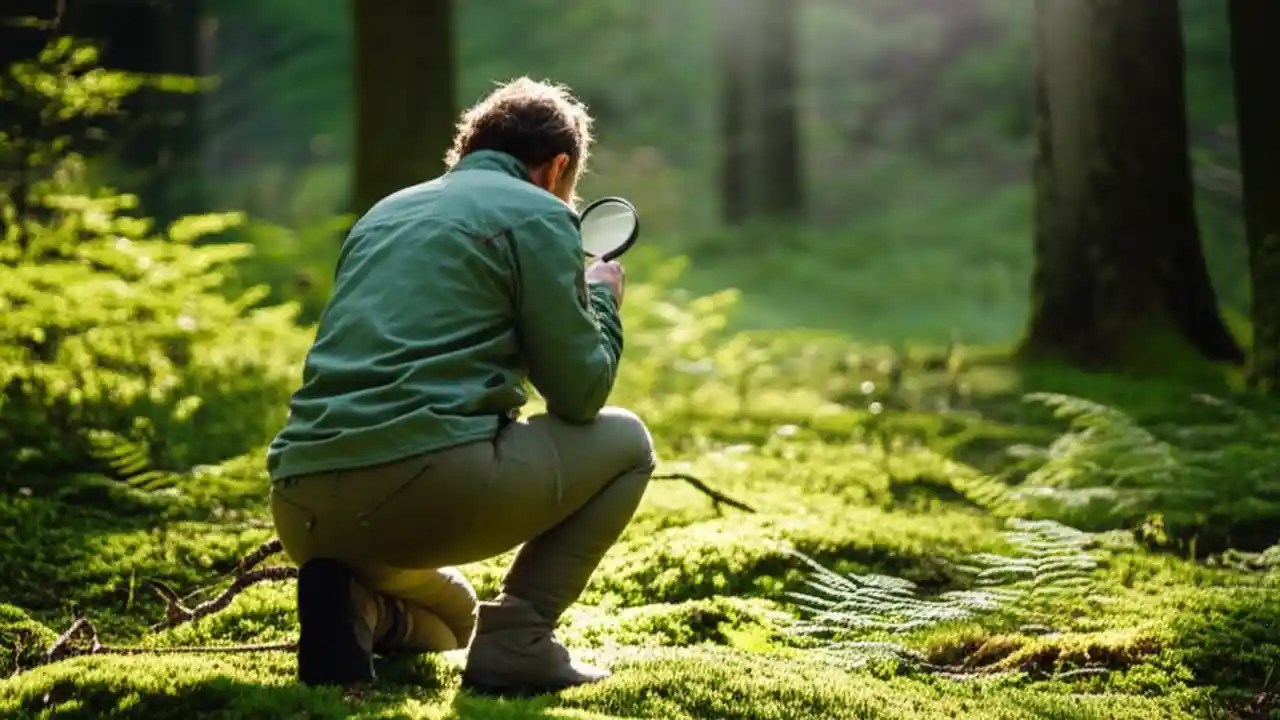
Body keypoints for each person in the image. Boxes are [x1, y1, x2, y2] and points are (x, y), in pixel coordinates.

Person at [266, 77, 656, 695]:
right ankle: (521, 640)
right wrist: (602, 302)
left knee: (454, 619)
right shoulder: (543, 212)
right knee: (629, 443)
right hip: (422, 486)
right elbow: (580, 395)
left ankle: (357, 610)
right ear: (558, 167)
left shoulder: (384, 213)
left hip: (303, 505)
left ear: (469, 149)